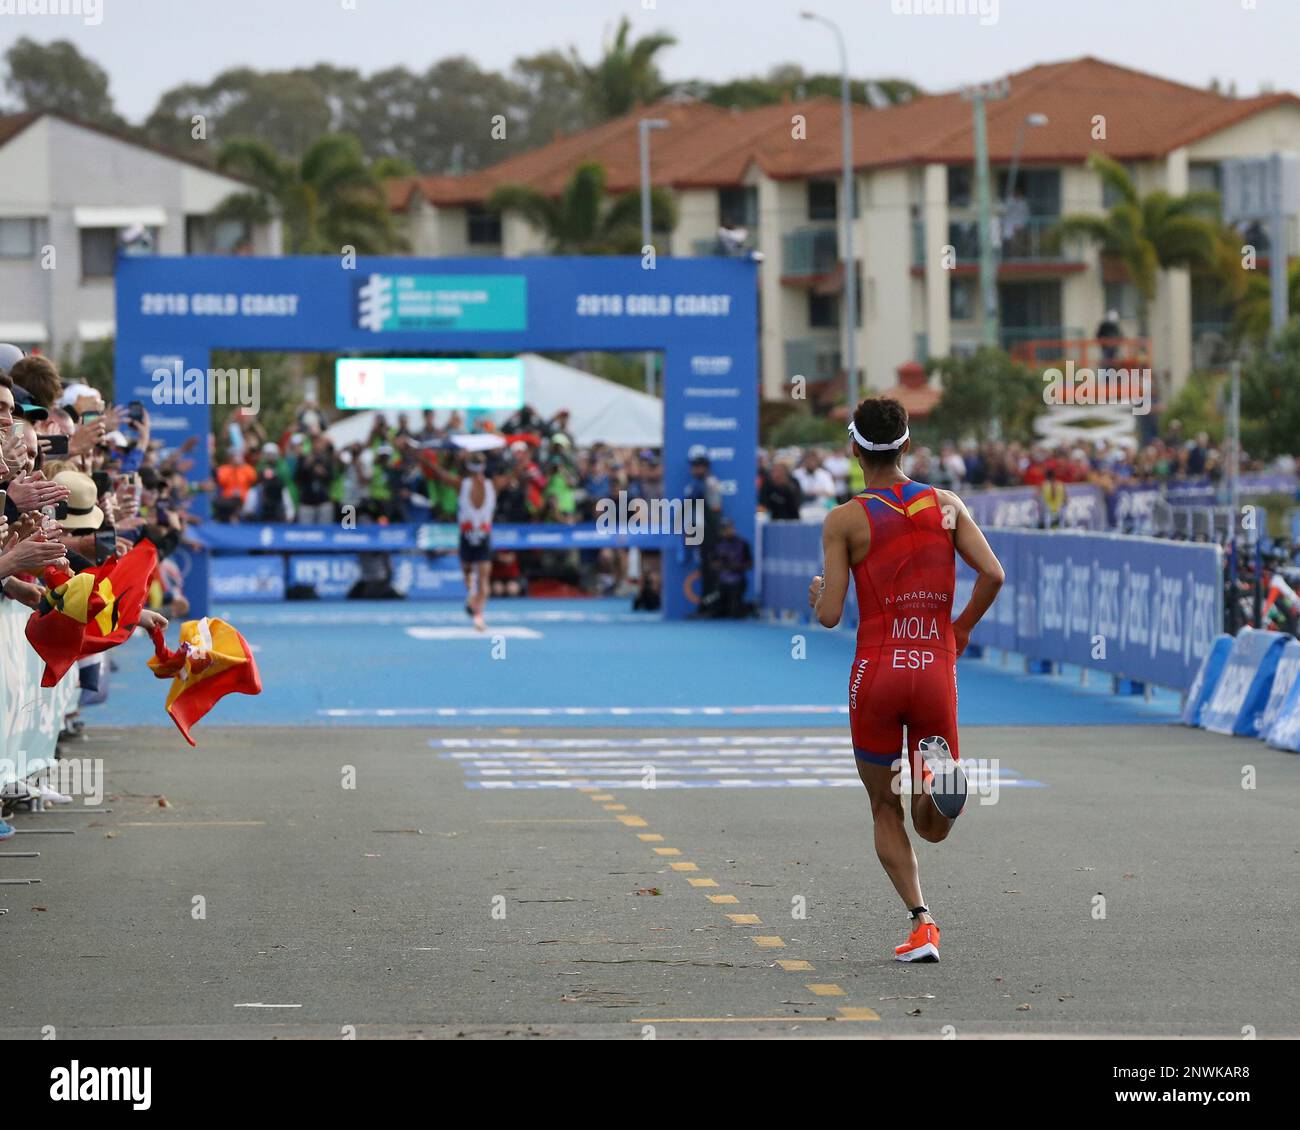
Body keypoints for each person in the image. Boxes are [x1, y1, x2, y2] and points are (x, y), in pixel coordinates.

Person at [808, 396, 1004, 964]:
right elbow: (993, 574)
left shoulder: (844, 519)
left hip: (877, 671)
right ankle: (939, 789)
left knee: (882, 808)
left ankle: (923, 924)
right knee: (931, 825)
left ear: (853, 448)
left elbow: (830, 616)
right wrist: (960, 629)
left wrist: (819, 593)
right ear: (907, 445)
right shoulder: (944, 504)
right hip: (935, 666)